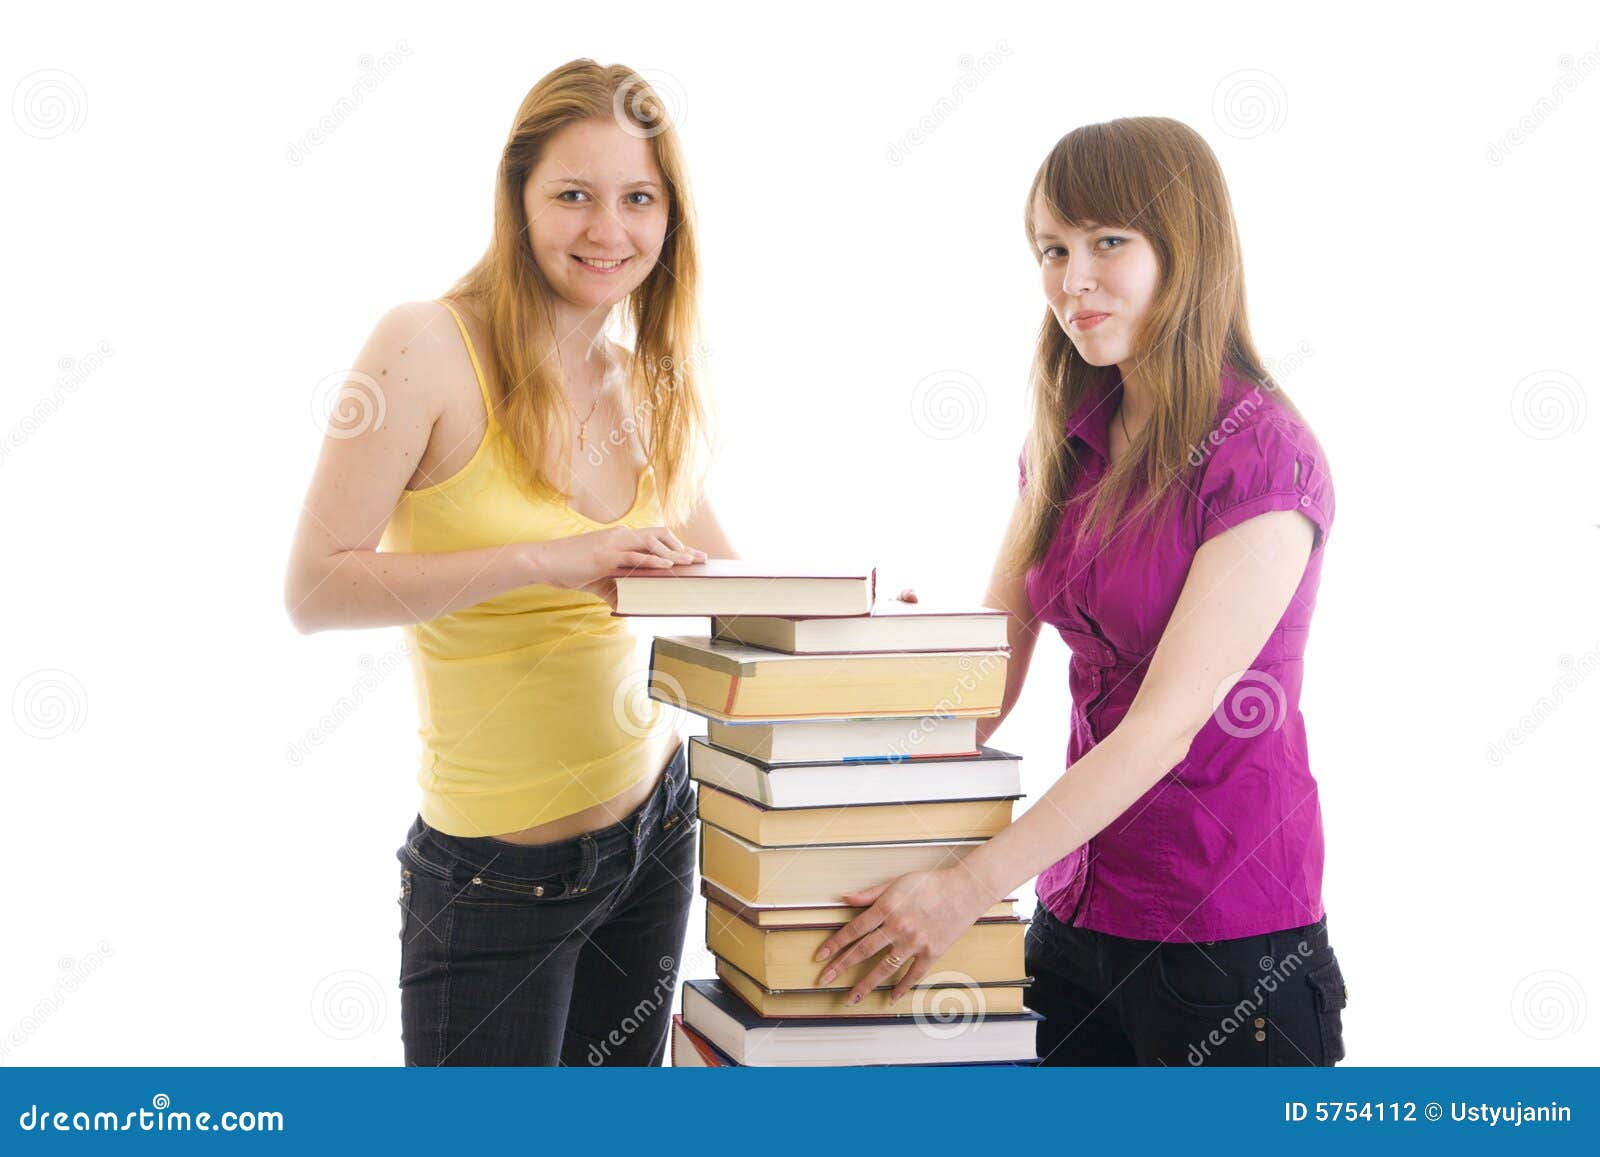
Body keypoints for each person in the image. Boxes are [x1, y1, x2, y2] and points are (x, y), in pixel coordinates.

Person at [813, 117, 1347, 1066]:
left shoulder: (1263, 455)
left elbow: (1161, 727)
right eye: (1052, 249)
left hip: (1226, 945)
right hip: (1075, 912)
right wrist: (879, 684)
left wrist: (965, 887)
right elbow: (987, 674)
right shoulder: (1065, 439)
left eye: (1109, 243)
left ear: (1187, 253)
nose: (1072, 280)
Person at [284, 59, 736, 1066]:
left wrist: (868, 620)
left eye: (637, 198)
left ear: (670, 217)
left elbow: (721, 576)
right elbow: (316, 587)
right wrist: (549, 557)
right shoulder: (425, 346)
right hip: (496, 875)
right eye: (572, 194)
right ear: (518, 198)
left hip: (657, 827)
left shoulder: (644, 382)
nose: (605, 230)